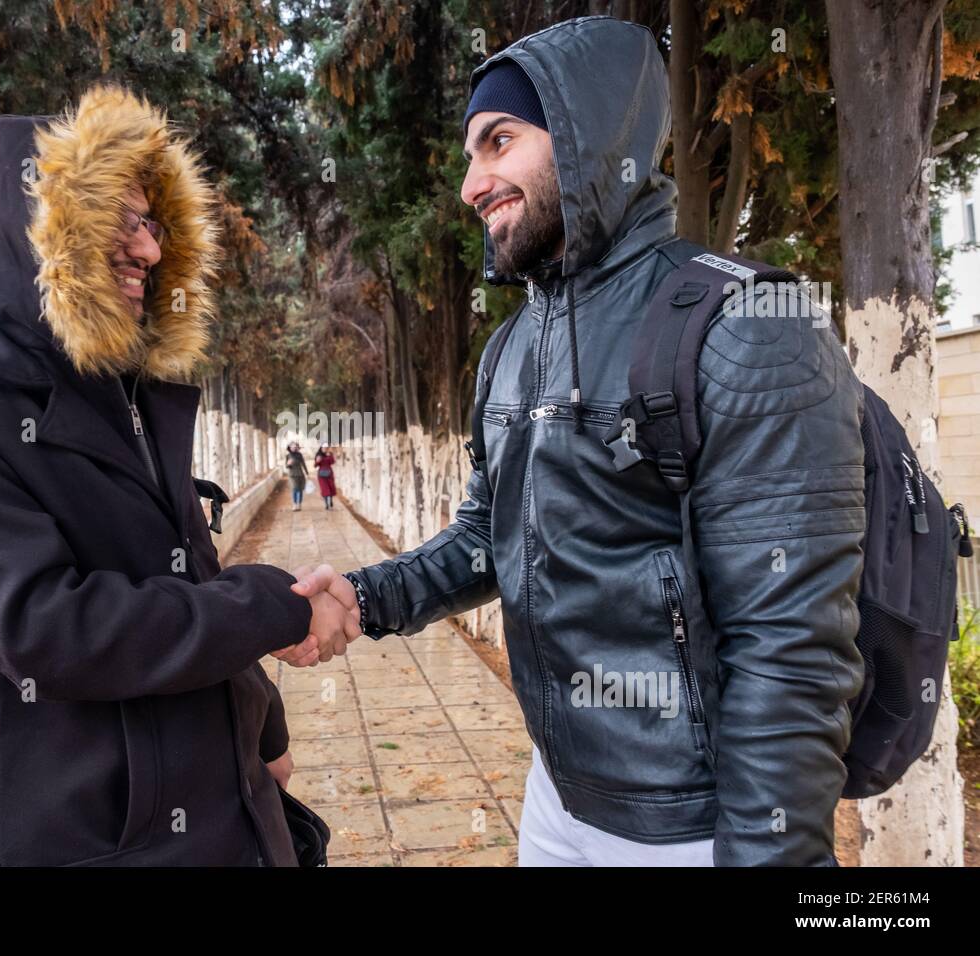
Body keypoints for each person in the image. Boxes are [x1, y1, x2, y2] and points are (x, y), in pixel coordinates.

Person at [291, 17, 865, 868]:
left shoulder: (742, 326)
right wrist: (366, 598)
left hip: (691, 832)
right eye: (467, 154)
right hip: (555, 802)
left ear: (593, 137)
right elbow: (495, 536)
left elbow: (790, 651)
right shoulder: (511, 349)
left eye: (499, 142)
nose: (470, 184)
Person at [0, 85, 359, 866]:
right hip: (83, 844)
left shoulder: (133, 393)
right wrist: (267, 605)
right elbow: (47, 627)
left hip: (233, 818)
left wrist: (263, 725)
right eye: (117, 221)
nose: (149, 250)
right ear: (33, 233)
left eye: (153, 222)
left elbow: (186, 580)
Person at [285, 441, 309, 511]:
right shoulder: (288, 456)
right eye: (292, 446)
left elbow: (303, 463)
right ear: (289, 447)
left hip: (300, 474)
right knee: (295, 489)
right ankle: (295, 504)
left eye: (295, 446)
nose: (294, 448)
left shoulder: (299, 455)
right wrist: (289, 464)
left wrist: (307, 473)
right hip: (292, 475)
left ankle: (299, 504)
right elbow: (286, 466)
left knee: (300, 490)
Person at [314, 443, 337, 509]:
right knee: (324, 490)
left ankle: (330, 501)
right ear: (321, 448)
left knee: (330, 488)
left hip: (329, 474)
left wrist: (330, 456)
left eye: (326, 448)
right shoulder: (318, 455)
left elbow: (332, 462)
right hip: (321, 475)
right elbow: (315, 465)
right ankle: (326, 504)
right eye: (323, 448)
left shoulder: (329, 454)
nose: (325, 449)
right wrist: (317, 461)